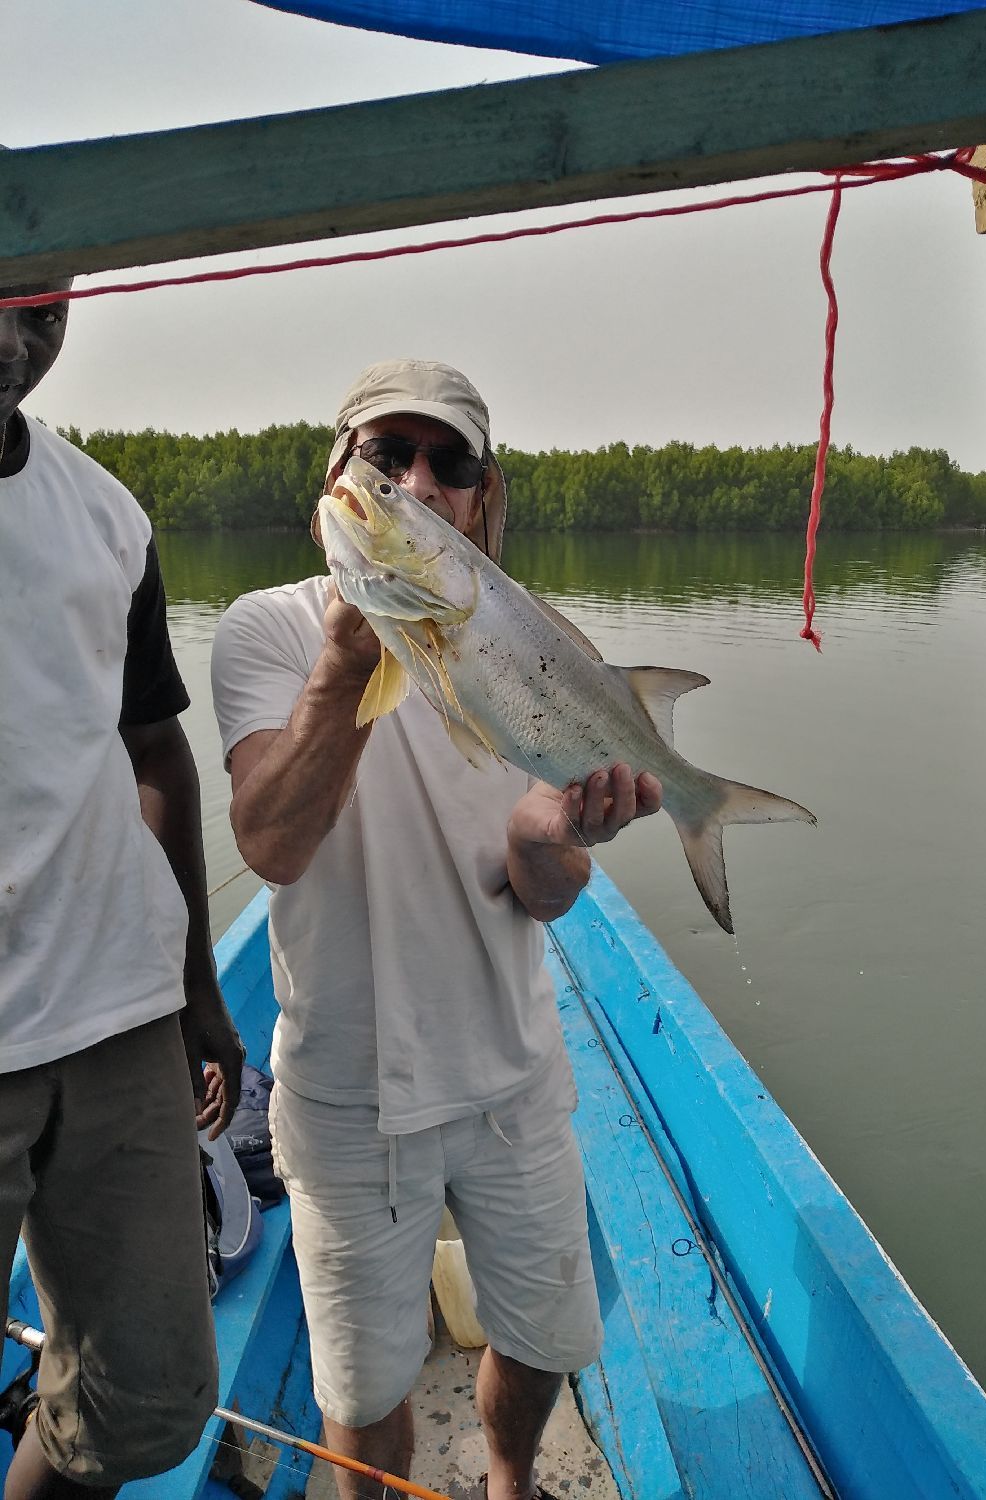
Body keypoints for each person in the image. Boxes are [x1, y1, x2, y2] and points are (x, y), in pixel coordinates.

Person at [210, 359, 663, 1500]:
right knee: (361, 1397)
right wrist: (349, 663)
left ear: (481, 498)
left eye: (446, 464)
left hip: (511, 1077)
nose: (414, 483)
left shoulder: (527, 653)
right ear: (337, 478)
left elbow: (538, 886)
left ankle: (511, 1481)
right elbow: (271, 844)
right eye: (385, 456)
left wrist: (567, 832)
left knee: (552, 1336)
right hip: (346, 1096)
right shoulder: (263, 634)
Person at [0, 277, 245, 1500]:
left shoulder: (105, 516)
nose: (12, 337)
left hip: (116, 1016)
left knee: (147, 1400)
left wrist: (196, 989)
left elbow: (155, 751)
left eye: (41, 307)